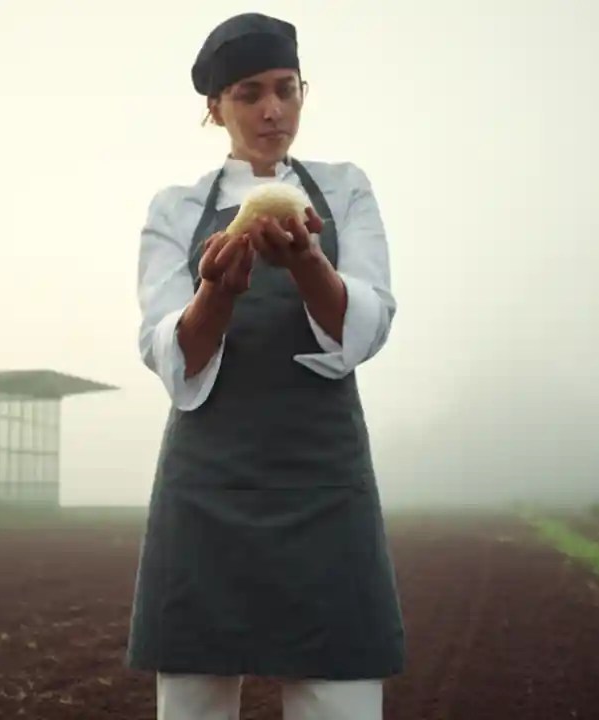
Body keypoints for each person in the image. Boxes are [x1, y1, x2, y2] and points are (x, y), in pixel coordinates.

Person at [127, 12, 405, 720]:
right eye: (249, 93)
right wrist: (218, 288)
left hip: (323, 477)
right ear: (215, 108)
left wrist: (309, 261)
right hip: (207, 483)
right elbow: (172, 354)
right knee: (193, 700)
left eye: (287, 88)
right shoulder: (176, 209)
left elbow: (366, 326)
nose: (273, 110)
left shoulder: (342, 190)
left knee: (340, 695)